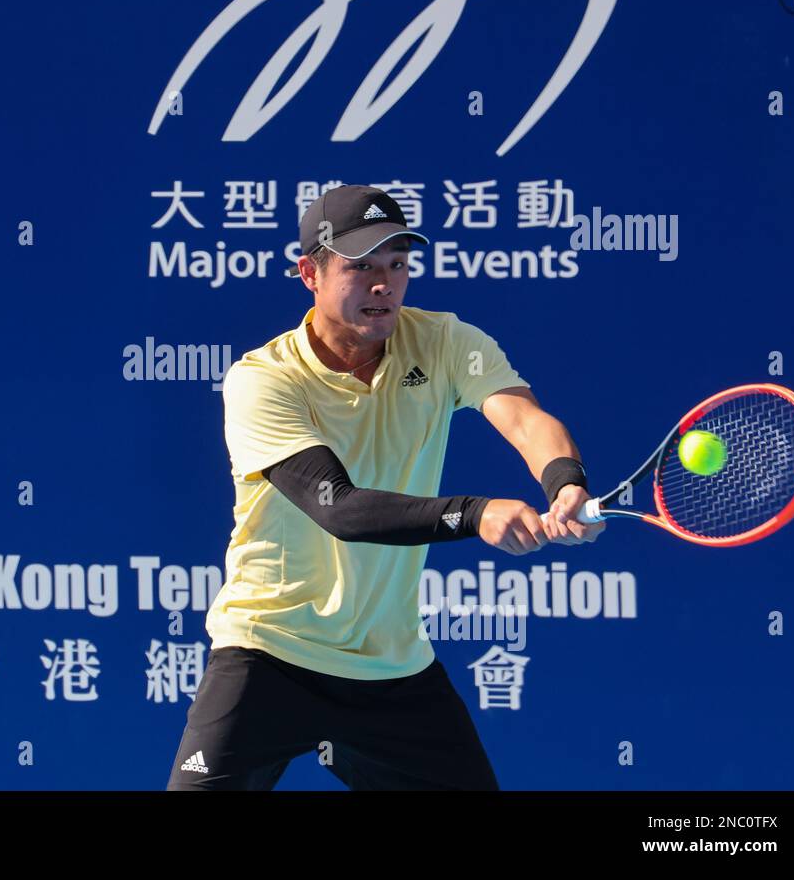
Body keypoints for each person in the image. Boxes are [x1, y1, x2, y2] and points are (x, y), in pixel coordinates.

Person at [166, 184, 605, 791]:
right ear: (309, 275)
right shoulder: (262, 380)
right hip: (269, 652)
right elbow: (338, 507)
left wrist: (565, 481)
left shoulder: (446, 342)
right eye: (361, 266)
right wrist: (475, 515)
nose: (384, 283)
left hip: (391, 667)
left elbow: (525, 419)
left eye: (397, 264)